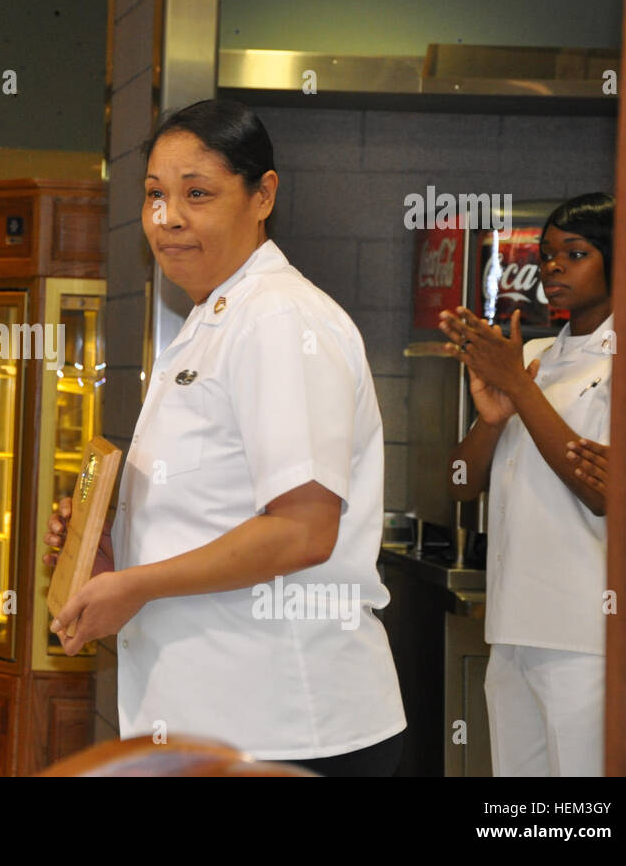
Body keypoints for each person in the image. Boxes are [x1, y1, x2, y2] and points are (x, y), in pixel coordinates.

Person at [43, 99, 405, 775]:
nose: (168, 217)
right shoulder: (212, 317)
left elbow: (303, 530)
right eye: (155, 195)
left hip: (287, 723)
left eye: (197, 193)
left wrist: (137, 585)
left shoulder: (280, 319)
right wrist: (109, 552)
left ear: (262, 194)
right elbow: (214, 510)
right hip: (211, 714)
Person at [442, 192, 614, 777]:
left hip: (586, 634)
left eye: (576, 252)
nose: (553, 267)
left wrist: (520, 390)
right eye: (545, 256)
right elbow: (462, 484)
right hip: (512, 625)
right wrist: (492, 422)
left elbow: (602, 494)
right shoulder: (533, 355)